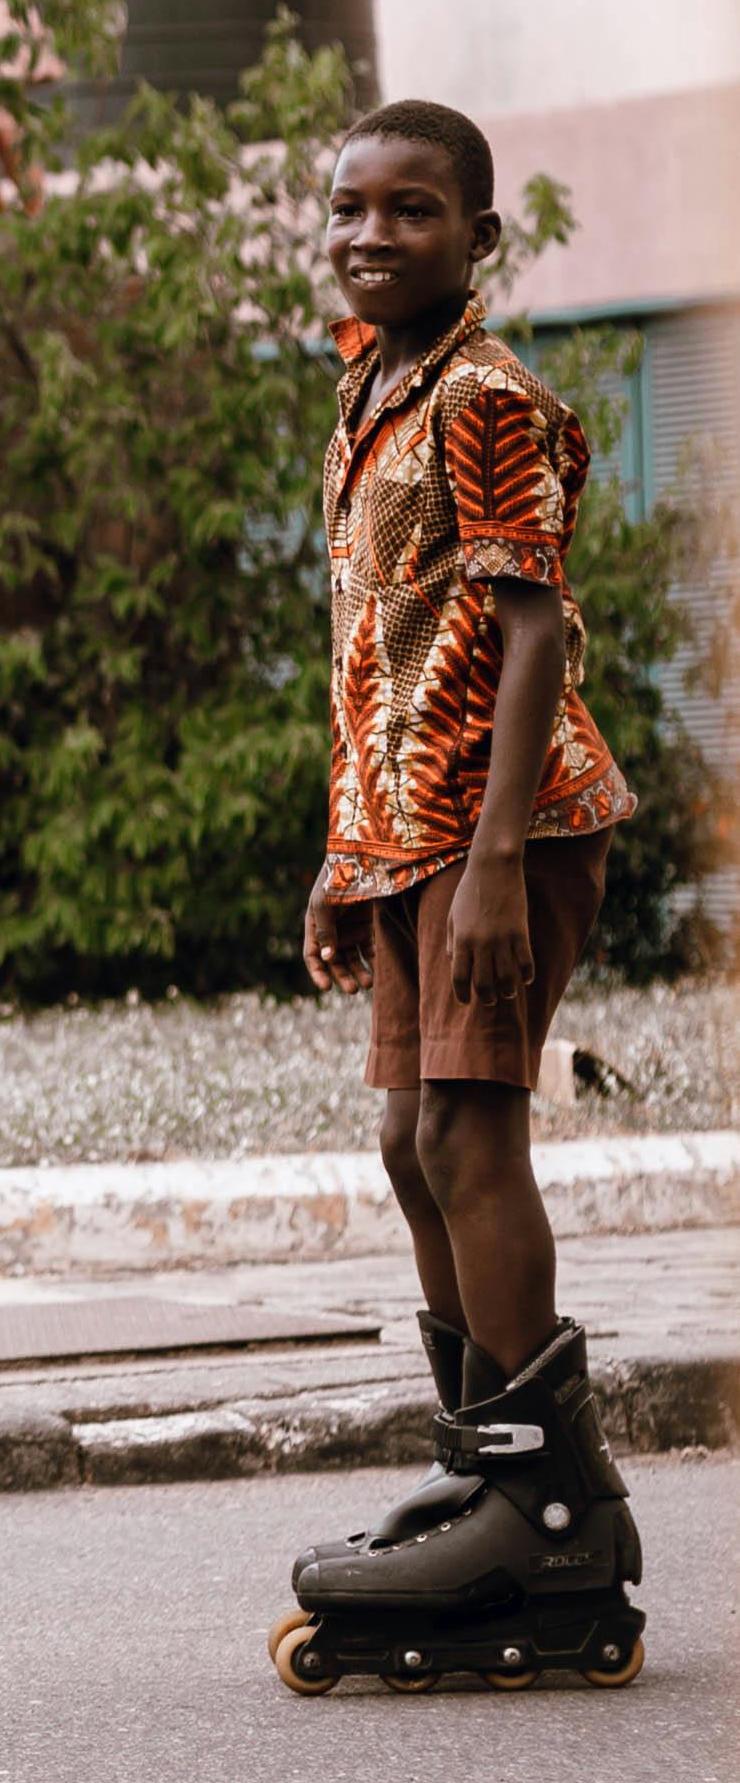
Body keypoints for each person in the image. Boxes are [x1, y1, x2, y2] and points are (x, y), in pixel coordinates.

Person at [273, 99, 648, 1695]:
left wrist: (493, 860)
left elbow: (529, 634)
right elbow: (382, 650)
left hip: (509, 829)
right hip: (408, 837)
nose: (372, 235)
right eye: (350, 208)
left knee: (466, 1135)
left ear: (478, 240)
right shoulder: (372, 385)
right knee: (402, 1136)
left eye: (412, 211)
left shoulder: (488, 399)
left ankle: (550, 1515)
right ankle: (501, 1468)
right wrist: (343, 850)